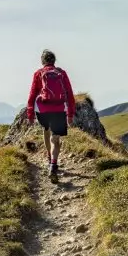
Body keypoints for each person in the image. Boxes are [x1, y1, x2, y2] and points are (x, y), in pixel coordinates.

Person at [26, 49, 76, 180]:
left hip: (42, 110)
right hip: (59, 109)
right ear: (54, 61)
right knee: (56, 138)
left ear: (43, 62)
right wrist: (70, 114)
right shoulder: (61, 73)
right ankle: (53, 165)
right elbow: (70, 94)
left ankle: (49, 157)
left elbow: (32, 95)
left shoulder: (38, 73)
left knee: (46, 130)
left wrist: (30, 114)